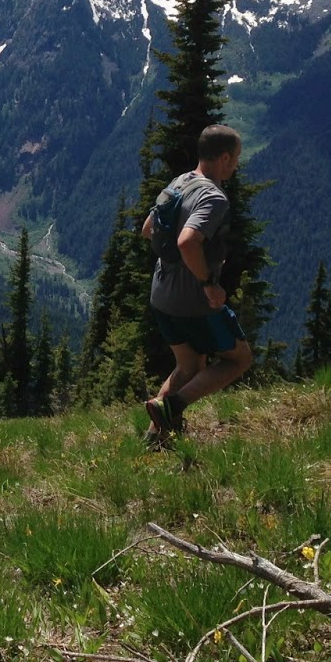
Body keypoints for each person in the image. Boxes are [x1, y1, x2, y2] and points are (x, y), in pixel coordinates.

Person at [141, 125, 253, 443]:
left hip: (161, 294)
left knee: (188, 365)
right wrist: (207, 280)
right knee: (239, 358)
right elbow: (188, 241)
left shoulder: (178, 183)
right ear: (225, 157)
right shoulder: (213, 197)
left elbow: (148, 228)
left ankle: (154, 439)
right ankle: (172, 405)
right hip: (193, 301)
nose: (236, 165)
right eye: (235, 159)